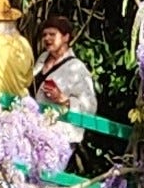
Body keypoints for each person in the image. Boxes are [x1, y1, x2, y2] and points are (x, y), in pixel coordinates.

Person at [31, 15, 97, 164]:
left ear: (66, 37)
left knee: (46, 180)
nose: (47, 38)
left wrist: (64, 100)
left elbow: (90, 107)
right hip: (35, 131)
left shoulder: (77, 68)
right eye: (45, 35)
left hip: (58, 137)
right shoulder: (42, 59)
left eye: (52, 34)